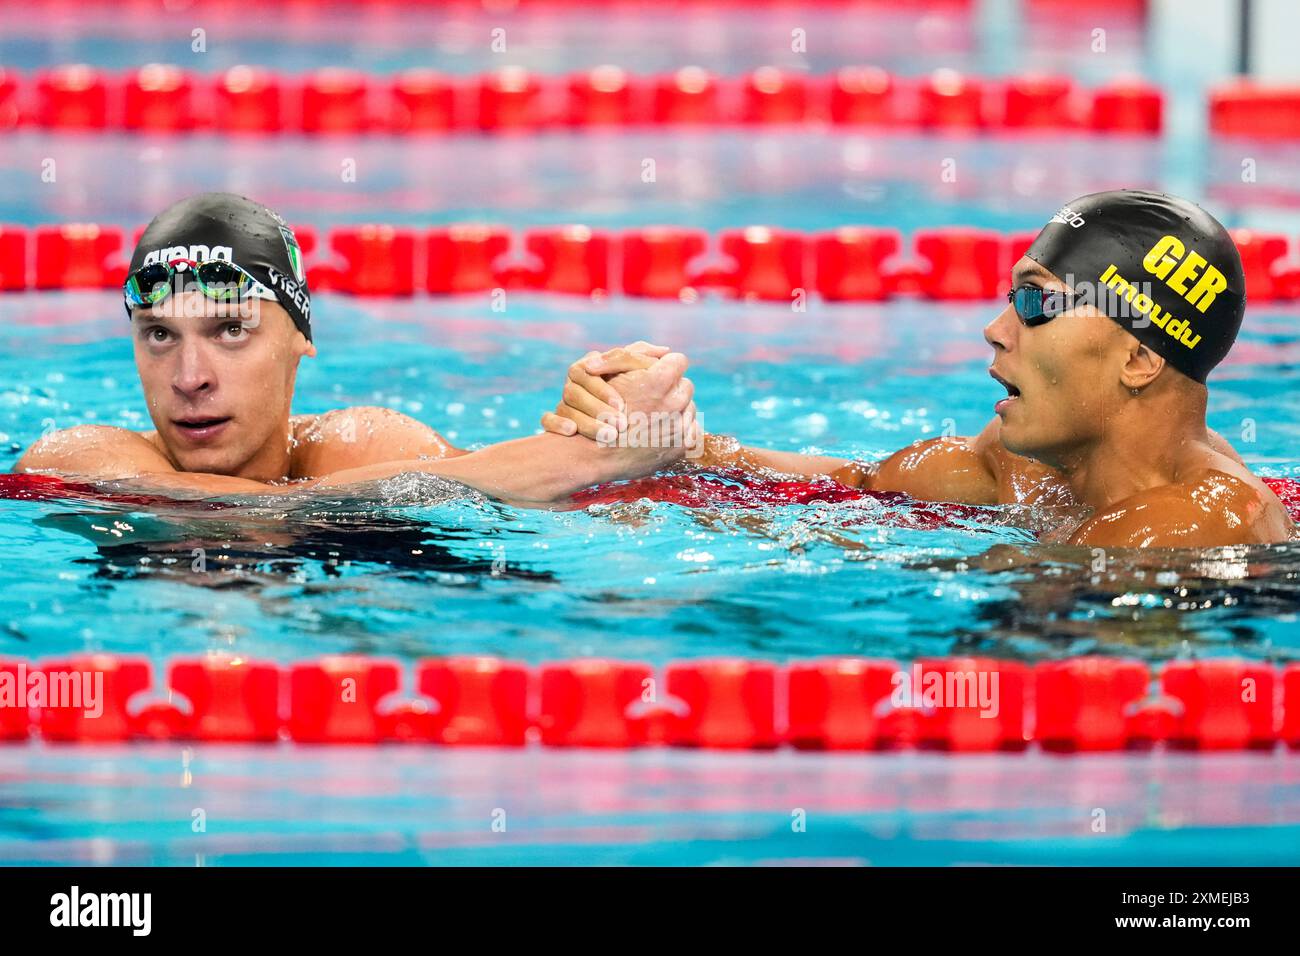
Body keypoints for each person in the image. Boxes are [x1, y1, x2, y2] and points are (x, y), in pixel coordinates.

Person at [543, 190, 1296, 548]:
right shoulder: (1029, 467)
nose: (996, 329)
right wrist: (667, 446)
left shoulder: (1196, 527)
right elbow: (855, 486)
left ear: (1137, 356)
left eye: (1037, 304)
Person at [13, 192, 699, 506]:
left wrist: (644, 427)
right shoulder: (74, 460)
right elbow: (228, 513)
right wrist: (576, 455)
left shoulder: (366, 444)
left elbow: (596, 493)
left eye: (230, 331)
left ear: (300, 339)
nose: (189, 378)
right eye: (159, 335)